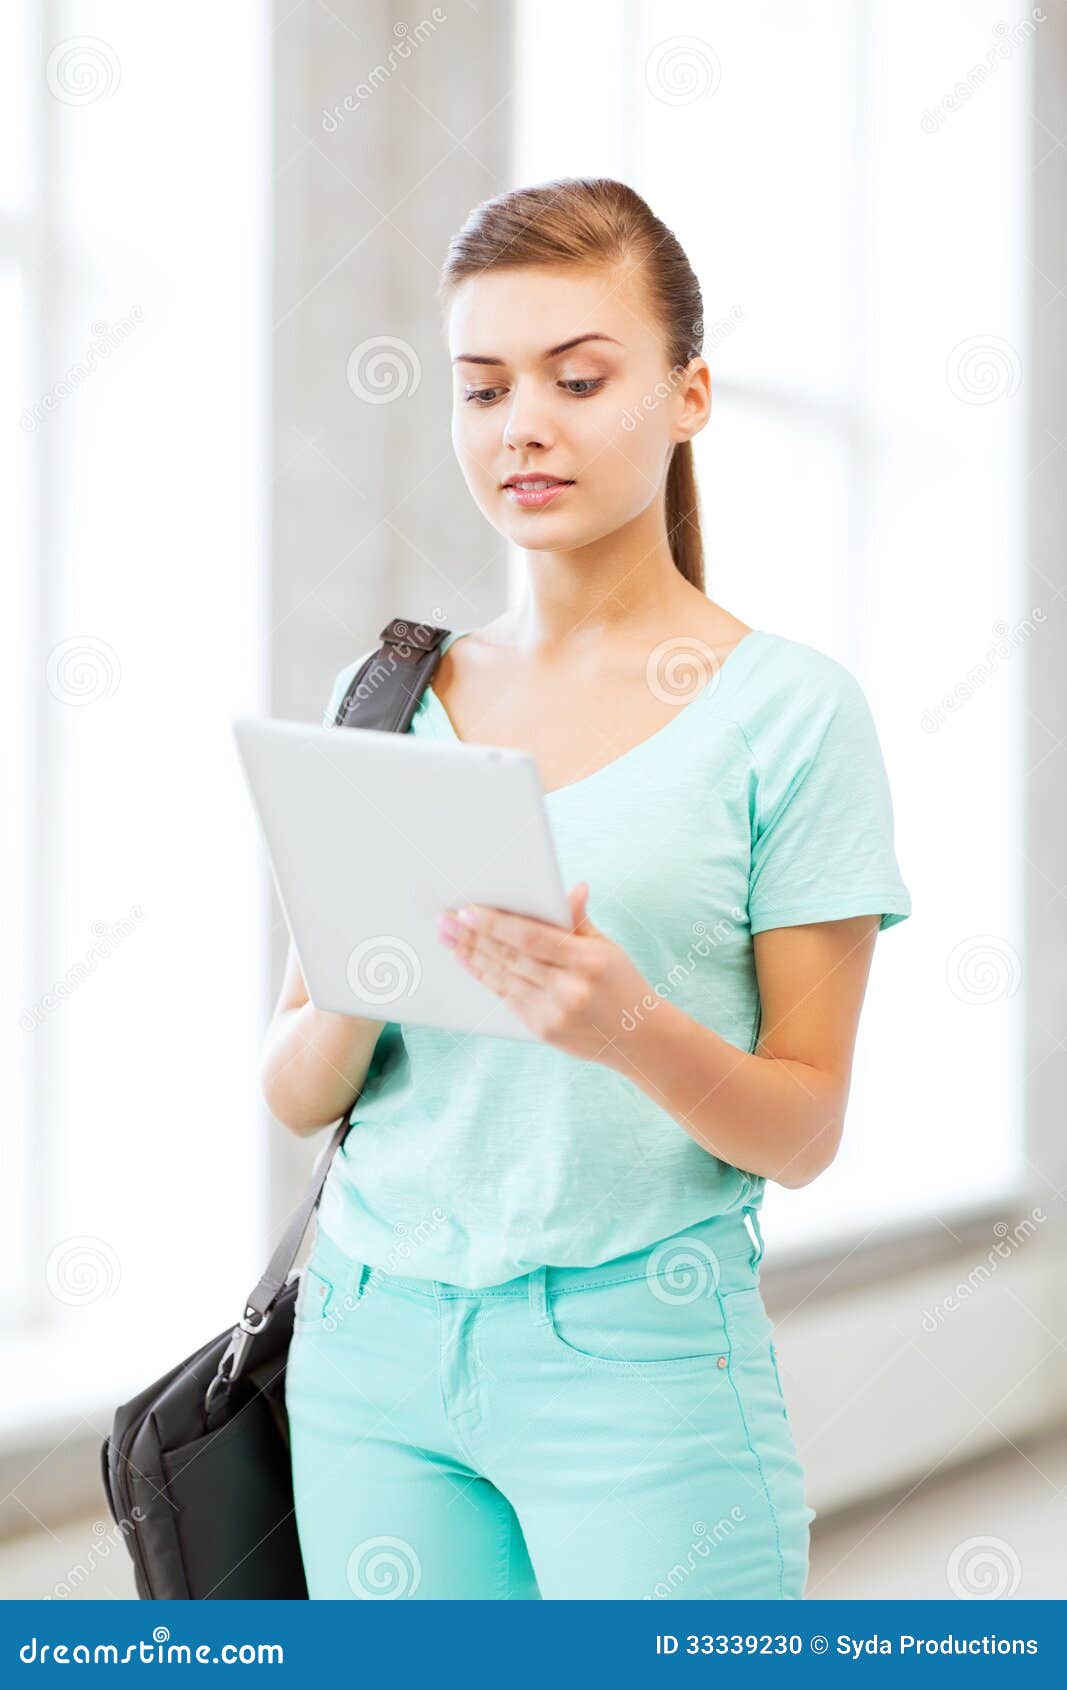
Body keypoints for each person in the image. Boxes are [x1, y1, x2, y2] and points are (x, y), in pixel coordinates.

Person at [262, 177, 912, 1601]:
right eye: (483, 387)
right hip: (371, 1356)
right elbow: (297, 1086)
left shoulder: (790, 715)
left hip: (643, 1364)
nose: (522, 426)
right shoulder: (387, 694)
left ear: (688, 397)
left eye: (578, 378)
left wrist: (625, 1025)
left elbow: (804, 1130)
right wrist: (369, 977)